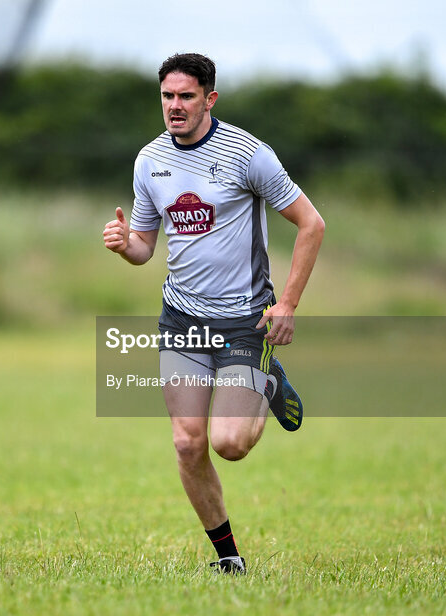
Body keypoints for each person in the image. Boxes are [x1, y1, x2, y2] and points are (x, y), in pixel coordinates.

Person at [101, 53, 325, 574]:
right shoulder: (148, 161)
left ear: (210, 99)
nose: (174, 107)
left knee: (229, 444)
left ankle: (268, 384)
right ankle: (228, 559)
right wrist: (123, 244)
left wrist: (287, 304)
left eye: (186, 96)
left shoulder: (249, 154)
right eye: (167, 97)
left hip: (245, 322)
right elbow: (144, 249)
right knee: (186, 442)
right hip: (181, 320)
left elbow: (311, 224)